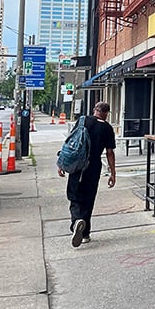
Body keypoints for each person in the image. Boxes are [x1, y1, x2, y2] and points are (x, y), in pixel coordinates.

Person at [57, 101, 116, 247]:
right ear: (106, 113)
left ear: (95, 110)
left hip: (78, 166)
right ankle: (85, 233)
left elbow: (70, 143)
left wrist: (61, 163)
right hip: (94, 166)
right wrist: (112, 173)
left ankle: (77, 221)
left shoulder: (83, 120)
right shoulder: (107, 128)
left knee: (75, 196)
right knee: (89, 199)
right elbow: (110, 153)